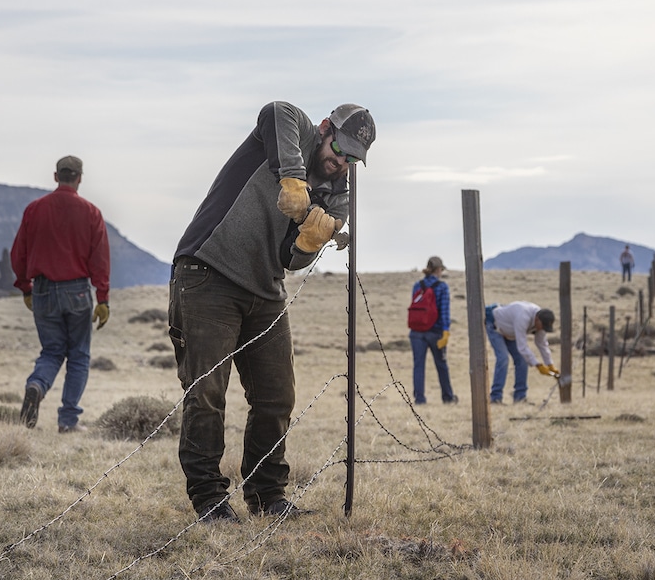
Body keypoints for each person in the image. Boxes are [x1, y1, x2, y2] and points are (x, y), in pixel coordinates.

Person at [169, 101, 375, 523]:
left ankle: (267, 497)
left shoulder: (339, 197)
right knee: (206, 393)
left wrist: (308, 242)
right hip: (208, 271)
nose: (342, 162)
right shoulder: (295, 134)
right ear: (325, 128)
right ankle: (209, 500)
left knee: (277, 396)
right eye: (340, 148)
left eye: (353, 158)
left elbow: (291, 261)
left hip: (265, 290)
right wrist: (293, 180)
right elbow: (276, 110)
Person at [10, 156, 111, 434]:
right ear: (79, 178)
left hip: (42, 290)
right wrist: (103, 298)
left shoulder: (34, 209)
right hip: (77, 291)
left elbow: (18, 253)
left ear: (56, 176)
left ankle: (36, 385)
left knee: (52, 351)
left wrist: (25, 287)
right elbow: (100, 259)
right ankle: (68, 421)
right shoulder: (91, 212)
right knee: (78, 356)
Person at [485, 301, 558, 404]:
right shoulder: (523, 317)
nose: (542, 329)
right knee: (503, 359)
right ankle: (495, 397)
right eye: (542, 326)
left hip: (510, 332)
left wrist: (550, 364)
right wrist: (538, 365)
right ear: (537, 319)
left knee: (522, 360)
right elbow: (522, 347)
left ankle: (520, 397)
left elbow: (542, 344)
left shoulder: (541, 322)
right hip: (495, 326)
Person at [408, 256, 457, 405]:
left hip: (416, 331)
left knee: (418, 365)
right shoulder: (442, 287)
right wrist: (445, 331)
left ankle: (419, 398)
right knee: (441, 365)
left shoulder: (418, 285)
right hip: (435, 332)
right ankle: (447, 397)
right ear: (438, 269)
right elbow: (444, 311)